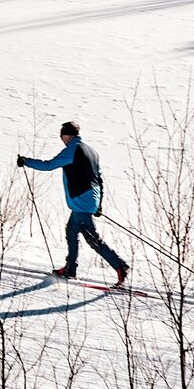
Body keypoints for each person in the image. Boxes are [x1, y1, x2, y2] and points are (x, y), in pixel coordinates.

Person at [17, 121, 128, 284]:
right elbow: (99, 179)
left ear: (67, 135)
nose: (62, 140)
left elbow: (48, 165)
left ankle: (120, 266)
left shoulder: (72, 151)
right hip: (89, 200)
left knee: (92, 239)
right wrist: (98, 203)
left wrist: (26, 161)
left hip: (81, 201)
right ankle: (70, 268)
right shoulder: (92, 151)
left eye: (62, 136)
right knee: (71, 231)